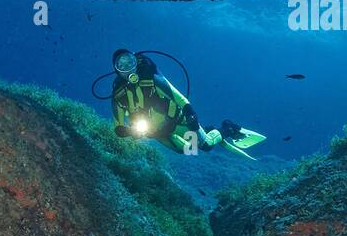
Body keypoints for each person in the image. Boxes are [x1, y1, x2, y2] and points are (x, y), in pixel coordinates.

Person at [109, 48, 262, 157]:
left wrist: (191, 114)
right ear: (116, 70)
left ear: (135, 61)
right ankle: (207, 131)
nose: (127, 68)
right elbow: (119, 127)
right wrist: (130, 131)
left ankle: (227, 128)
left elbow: (179, 98)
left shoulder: (151, 80)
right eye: (121, 65)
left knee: (205, 146)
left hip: (178, 122)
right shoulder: (118, 94)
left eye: (129, 62)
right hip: (157, 133)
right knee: (186, 151)